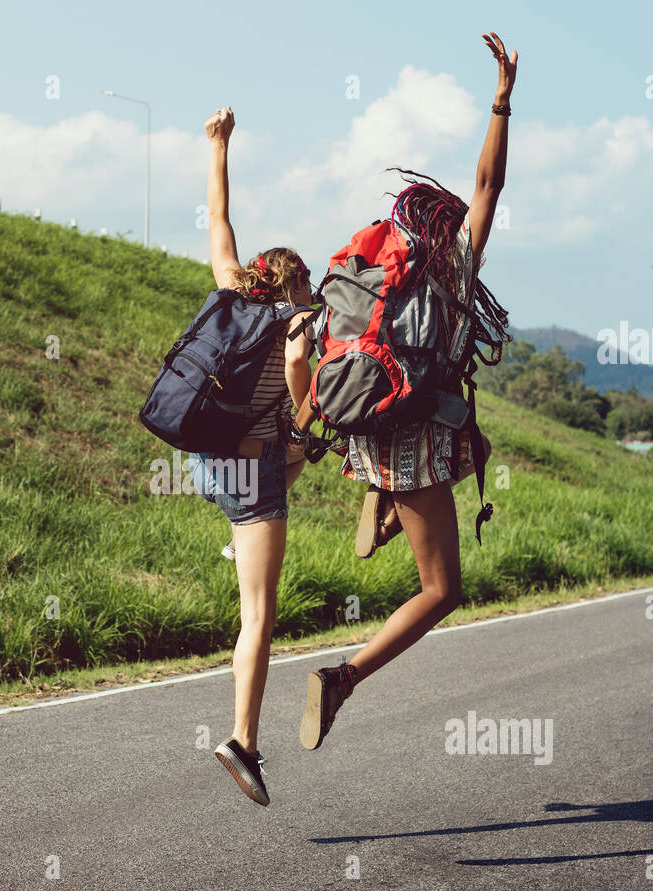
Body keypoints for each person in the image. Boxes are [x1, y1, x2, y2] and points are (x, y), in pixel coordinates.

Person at [298, 32, 518, 751]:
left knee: (447, 434)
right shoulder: (453, 266)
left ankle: (379, 503)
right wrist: (502, 101)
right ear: (447, 228)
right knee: (441, 590)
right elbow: (490, 185)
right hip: (410, 440)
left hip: (362, 426)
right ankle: (343, 678)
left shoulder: (380, 276)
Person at [194, 105, 317, 806]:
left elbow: (218, 221)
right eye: (305, 286)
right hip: (252, 477)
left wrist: (218, 146)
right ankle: (243, 738)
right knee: (260, 617)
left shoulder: (231, 295)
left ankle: (237, 542)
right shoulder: (292, 322)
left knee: (296, 454)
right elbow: (299, 366)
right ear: (293, 284)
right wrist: (304, 410)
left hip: (204, 462)